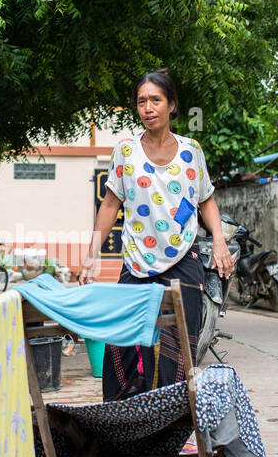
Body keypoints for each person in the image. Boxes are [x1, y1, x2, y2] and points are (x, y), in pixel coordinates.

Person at [80, 69, 234, 399]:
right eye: (141, 101)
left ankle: (173, 425)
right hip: (136, 262)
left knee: (178, 350)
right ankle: (124, 424)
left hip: (183, 261)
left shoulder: (191, 151)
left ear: (171, 105)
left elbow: (206, 200)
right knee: (123, 346)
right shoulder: (125, 151)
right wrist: (91, 254)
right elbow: (110, 205)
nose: (148, 108)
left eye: (156, 100)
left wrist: (219, 240)